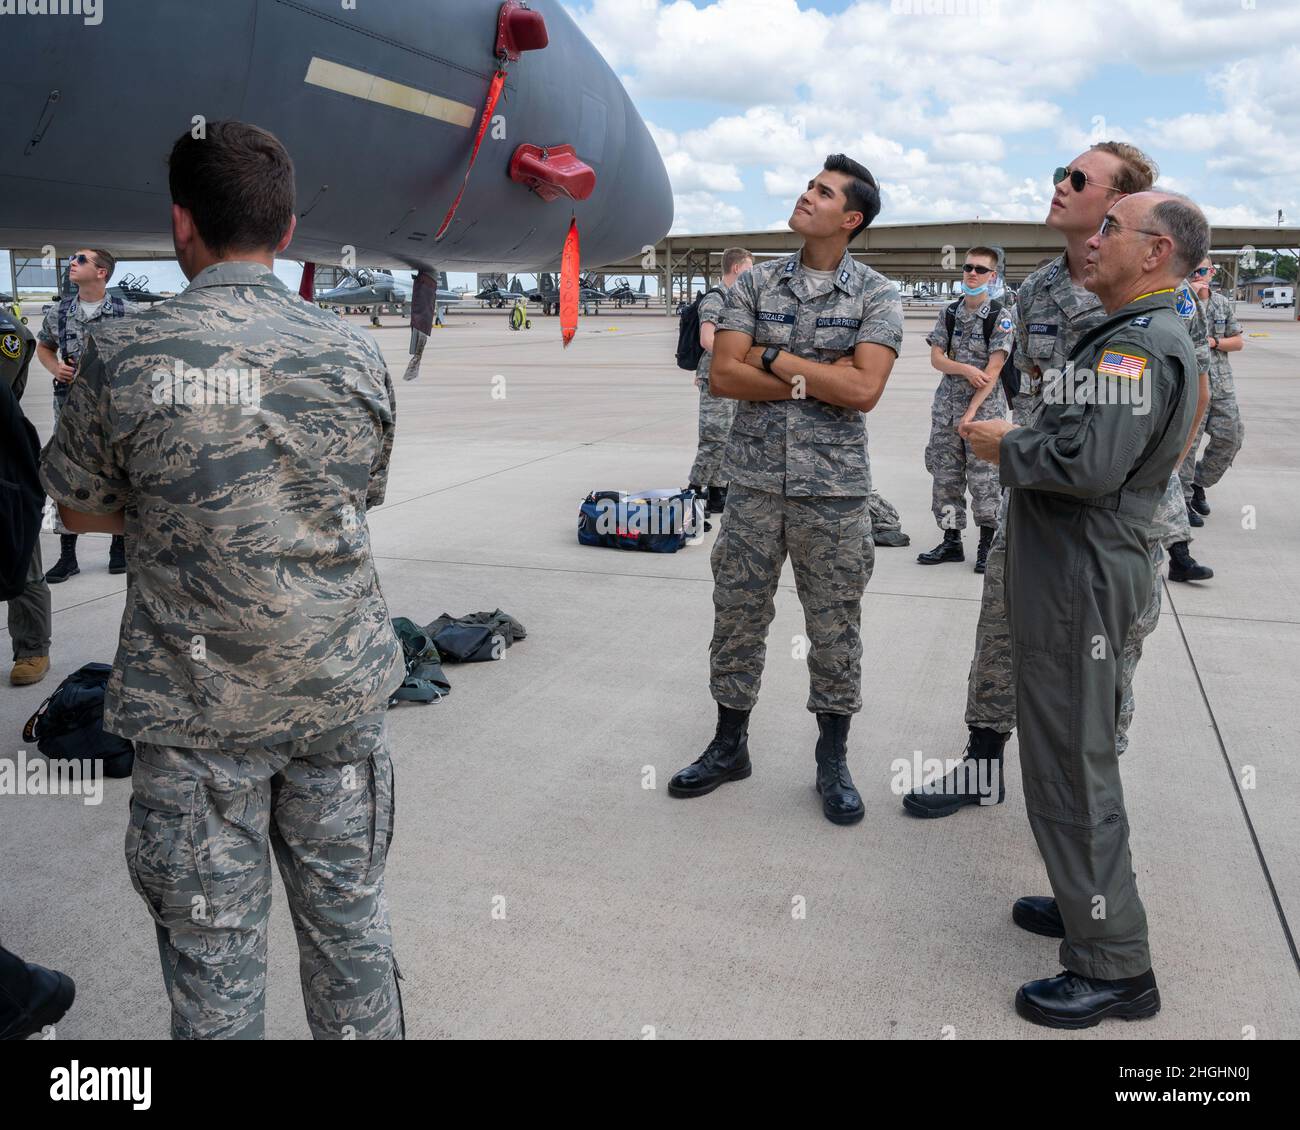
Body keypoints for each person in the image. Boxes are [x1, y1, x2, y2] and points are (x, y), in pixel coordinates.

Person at [39, 121, 406, 1039]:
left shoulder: (122, 351)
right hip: (336, 694)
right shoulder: (352, 350)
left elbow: (77, 509)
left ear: (180, 225)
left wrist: (178, 511)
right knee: (351, 927)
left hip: (196, 713)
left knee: (214, 965)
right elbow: (358, 491)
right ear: (285, 231)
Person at [902, 142, 1206, 820]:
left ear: (1118, 204)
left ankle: (1085, 827)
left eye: (1077, 179)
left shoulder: (1161, 296)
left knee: (1101, 674)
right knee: (1000, 637)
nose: (1060, 187)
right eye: (1058, 176)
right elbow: (1032, 388)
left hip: (1114, 517)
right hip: (1034, 498)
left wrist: (1149, 483)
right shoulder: (1035, 289)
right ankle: (982, 767)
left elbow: (1197, 392)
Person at [963, 190, 1208, 1028]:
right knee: (1066, 748)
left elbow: (1090, 465)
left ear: (1155, 252)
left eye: (1114, 227)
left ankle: (1115, 967)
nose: (1094, 236)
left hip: (1083, 574)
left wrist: (1009, 444)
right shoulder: (1126, 334)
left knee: (1073, 758)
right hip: (1072, 568)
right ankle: (1084, 903)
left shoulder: (1138, 347)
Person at [667, 154, 902, 825]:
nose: (807, 196)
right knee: (737, 615)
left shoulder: (876, 294)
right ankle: (729, 744)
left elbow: (864, 391)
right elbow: (723, 379)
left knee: (834, 629)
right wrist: (816, 373)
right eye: (808, 186)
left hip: (833, 495)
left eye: (822, 192)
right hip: (752, 485)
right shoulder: (755, 283)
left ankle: (832, 760)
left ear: (850, 218)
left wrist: (770, 357)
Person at [35, 248, 130, 582]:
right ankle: (67, 556)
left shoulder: (125, 312)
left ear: (101, 272)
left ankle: (119, 550)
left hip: (112, 411)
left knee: (119, 472)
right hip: (70, 410)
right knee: (65, 477)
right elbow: (44, 346)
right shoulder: (59, 312)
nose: (72, 264)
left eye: (80, 260)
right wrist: (55, 367)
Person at [916, 246, 1012, 572]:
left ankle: (987, 545)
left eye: (981, 269)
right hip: (946, 411)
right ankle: (951, 541)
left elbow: (994, 371)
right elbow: (936, 358)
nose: (972, 273)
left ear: (992, 276)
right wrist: (966, 369)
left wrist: (971, 412)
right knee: (945, 477)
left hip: (983, 412)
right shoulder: (950, 313)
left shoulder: (1001, 317)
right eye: (968, 267)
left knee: (985, 480)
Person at [1, 308, 51, 686]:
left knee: (21, 556)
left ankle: (32, 647)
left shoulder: (5, 330)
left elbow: (5, 388)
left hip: (4, 458)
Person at [686, 247, 753, 516]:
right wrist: (740, 356)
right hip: (717, 377)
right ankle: (694, 488)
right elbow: (707, 339)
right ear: (737, 268)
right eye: (749, 266)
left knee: (727, 436)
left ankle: (717, 491)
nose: (752, 272)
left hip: (728, 376)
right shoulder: (716, 299)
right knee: (714, 436)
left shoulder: (733, 298)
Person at [1180, 259, 1244, 518]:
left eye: (1203, 270)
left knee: (1232, 437)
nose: (1199, 276)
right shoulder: (1179, 303)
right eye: (1193, 271)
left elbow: (1238, 341)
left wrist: (1215, 341)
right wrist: (1189, 297)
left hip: (1222, 384)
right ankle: (1182, 501)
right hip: (1192, 384)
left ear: (1212, 272)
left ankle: (1198, 482)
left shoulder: (1221, 303)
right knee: (1188, 444)